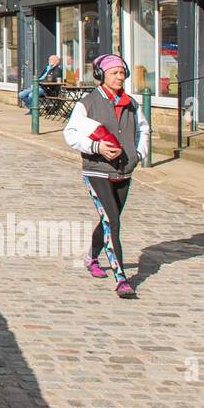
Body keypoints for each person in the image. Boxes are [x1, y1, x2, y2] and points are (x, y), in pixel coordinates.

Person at [63, 53, 149, 299]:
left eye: (122, 73)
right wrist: (96, 148)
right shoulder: (88, 103)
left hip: (124, 170)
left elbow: (144, 129)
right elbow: (70, 134)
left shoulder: (131, 103)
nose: (120, 77)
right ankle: (121, 279)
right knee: (113, 221)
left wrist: (139, 154)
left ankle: (91, 256)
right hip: (97, 170)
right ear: (101, 76)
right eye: (114, 73)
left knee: (109, 220)